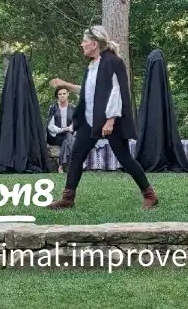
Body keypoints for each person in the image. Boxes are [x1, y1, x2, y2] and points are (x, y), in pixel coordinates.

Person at [49, 26, 158, 210]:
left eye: (84, 41)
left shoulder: (113, 62)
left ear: (94, 44)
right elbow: (89, 91)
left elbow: (117, 92)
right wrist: (65, 84)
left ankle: (150, 195)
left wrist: (110, 120)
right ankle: (68, 198)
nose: (81, 44)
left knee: (124, 158)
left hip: (109, 121)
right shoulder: (92, 65)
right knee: (76, 155)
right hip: (90, 120)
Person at [46, 86, 76, 173]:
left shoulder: (73, 108)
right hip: (56, 136)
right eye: (60, 94)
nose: (62, 95)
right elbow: (50, 126)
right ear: (57, 96)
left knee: (68, 137)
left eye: (64, 93)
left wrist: (69, 129)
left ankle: (61, 165)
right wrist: (62, 130)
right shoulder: (53, 108)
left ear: (68, 94)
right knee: (70, 138)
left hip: (69, 134)